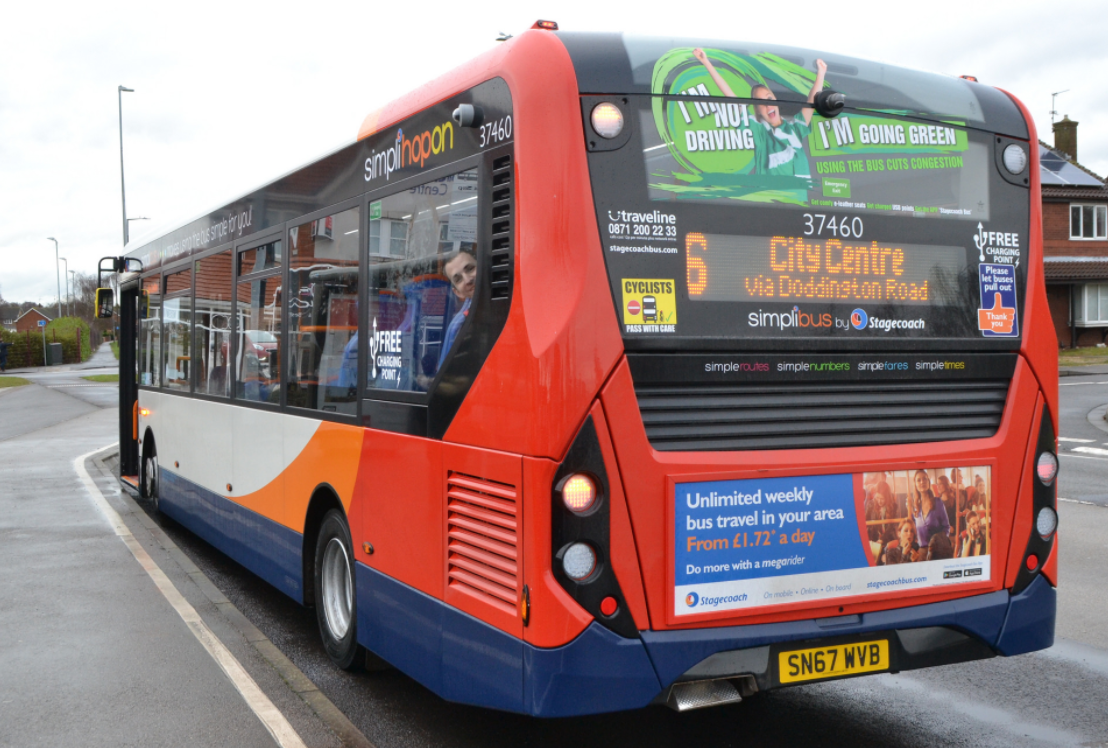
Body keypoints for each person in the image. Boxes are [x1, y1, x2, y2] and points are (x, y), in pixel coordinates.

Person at [692, 48, 827, 178]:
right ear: (757, 110)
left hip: (800, 200)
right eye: (761, 103)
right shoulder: (760, 131)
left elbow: (812, 101)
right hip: (772, 199)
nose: (768, 105)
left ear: (775, 99)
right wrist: (706, 62)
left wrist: (821, 72)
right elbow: (732, 98)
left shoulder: (795, 126)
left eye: (769, 98)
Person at [436, 249, 476, 370]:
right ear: (457, 292)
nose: (468, 280)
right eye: (458, 279)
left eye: (470, 269)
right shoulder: (459, 327)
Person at [910, 470, 950, 548]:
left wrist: (941, 543)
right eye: (919, 480)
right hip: (921, 552)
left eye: (925, 479)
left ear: (928, 482)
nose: (922, 482)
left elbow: (946, 527)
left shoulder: (938, 502)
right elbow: (912, 530)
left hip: (937, 551)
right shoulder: (915, 507)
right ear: (915, 484)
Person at [865, 481, 899, 546]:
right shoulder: (871, 505)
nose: (879, 501)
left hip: (889, 539)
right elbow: (866, 521)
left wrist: (883, 539)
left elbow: (891, 527)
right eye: (877, 498)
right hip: (874, 539)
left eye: (882, 499)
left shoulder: (894, 506)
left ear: (887, 498)